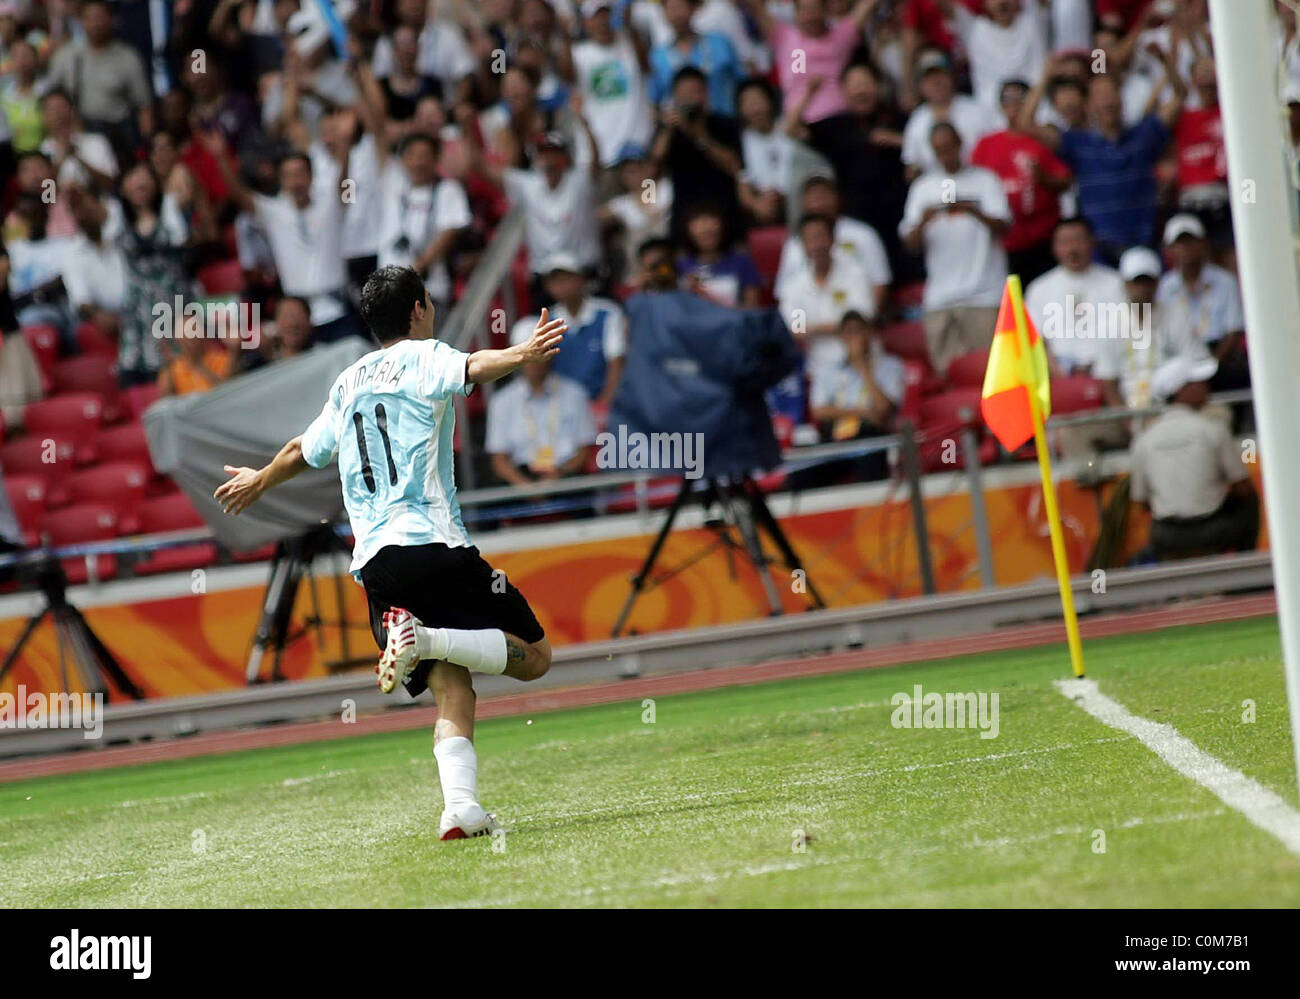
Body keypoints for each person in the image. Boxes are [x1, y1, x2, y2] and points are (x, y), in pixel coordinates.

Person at [214, 266, 568, 843]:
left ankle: (461, 809)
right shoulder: (427, 354)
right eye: (428, 300)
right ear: (417, 311)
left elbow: (304, 448)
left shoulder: (346, 380)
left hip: (377, 564)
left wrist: (260, 480)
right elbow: (473, 365)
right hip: (433, 543)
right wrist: (523, 352)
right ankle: (424, 639)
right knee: (537, 656)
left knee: (454, 688)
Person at [899, 122, 1011, 376]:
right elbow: (910, 244)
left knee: (992, 374)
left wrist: (972, 210)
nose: (945, 154)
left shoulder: (985, 179)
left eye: (949, 147)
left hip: (984, 294)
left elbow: (1005, 228)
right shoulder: (923, 187)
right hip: (940, 299)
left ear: (960, 143)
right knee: (949, 376)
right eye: (938, 150)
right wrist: (926, 219)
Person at [1130, 355, 1259, 562]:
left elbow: (1140, 502)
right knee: (1250, 501)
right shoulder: (1212, 430)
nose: (1205, 386)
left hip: (1166, 536)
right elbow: (1242, 487)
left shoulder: (1144, 440)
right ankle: (1246, 572)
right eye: (1197, 382)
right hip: (1213, 530)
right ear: (1181, 390)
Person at [970, 78, 1072, 285]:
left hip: (1045, 238)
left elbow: (1066, 181)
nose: (1014, 104)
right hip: (1004, 244)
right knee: (1016, 307)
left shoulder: (1043, 137)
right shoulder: (986, 144)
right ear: (999, 105)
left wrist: (1044, 178)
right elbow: (974, 186)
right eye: (1007, 99)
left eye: (1021, 98)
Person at [487, 315, 598, 486]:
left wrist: (558, 477)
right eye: (528, 355)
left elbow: (585, 450)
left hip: (567, 480)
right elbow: (499, 460)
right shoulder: (502, 401)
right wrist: (525, 486)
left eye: (540, 352)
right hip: (522, 482)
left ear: (551, 353)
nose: (534, 361)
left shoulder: (575, 394)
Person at [1024, 216, 1127, 377]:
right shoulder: (1038, 288)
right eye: (1065, 242)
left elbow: (1124, 333)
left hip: (1108, 373)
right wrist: (1059, 374)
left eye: (1079, 240)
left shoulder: (1116, 283)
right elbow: (1036, 341)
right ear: (1054, 247)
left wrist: (1101, 367)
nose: (1072, 249)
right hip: (1056, 375)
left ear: (1093, 242)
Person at [1155, 213, 1247, 393]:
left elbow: (1233, 330)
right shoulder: (1164, 287)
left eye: (1191, 241)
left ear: (1204, 244)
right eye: (1179, 243)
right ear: (1169, 250)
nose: (1185, 248)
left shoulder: (1224, 281)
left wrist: (1213, 364)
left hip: (1218, 353)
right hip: (1179, 354)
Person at [542, 253, 627, 406]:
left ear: (580, 279)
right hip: (563, 408)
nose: (560, 285)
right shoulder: (546, 320)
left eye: (565, 278)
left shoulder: (608, 313)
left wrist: (604, 405)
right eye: (554, 280)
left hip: (603, 403)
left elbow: (616, 363)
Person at [676, 203, 763, 308]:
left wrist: (714, 303)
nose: (705, 229)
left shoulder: (742, 262)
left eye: (711, 221)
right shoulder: (679, 266)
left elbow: (752, 309)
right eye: (698, 225)